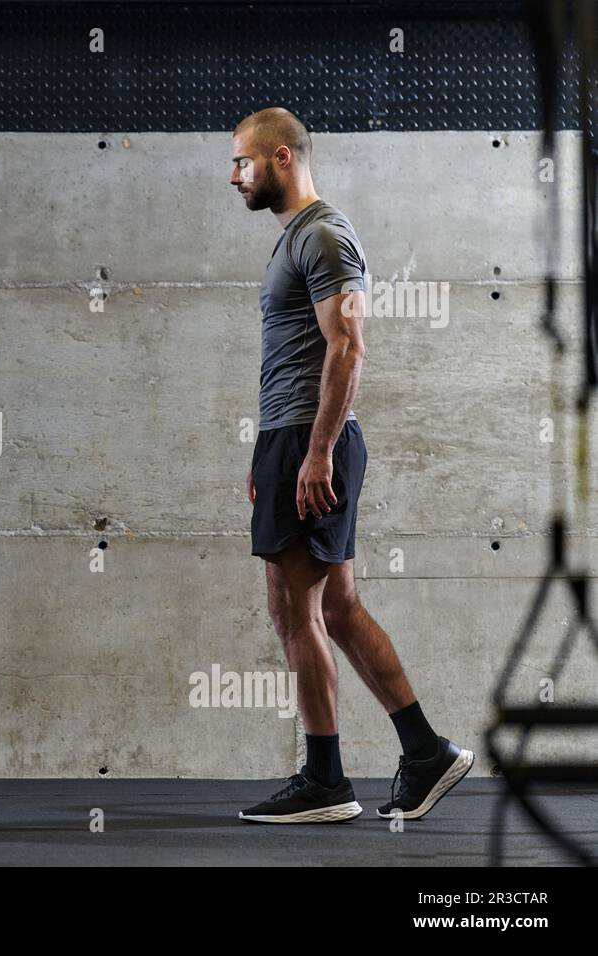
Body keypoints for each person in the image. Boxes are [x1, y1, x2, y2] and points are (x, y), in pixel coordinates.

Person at [231, 107, 473, 823]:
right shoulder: (294, 240)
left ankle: (326, 781)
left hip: (313, 438)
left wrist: (315, 452)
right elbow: (299, 357)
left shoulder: (325, 235)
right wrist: (271, 449)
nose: (233, 177)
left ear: (282, 157)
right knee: (332, 607)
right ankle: (424, 752)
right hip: (292, 437)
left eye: (242, 163)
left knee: (293, 610)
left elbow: (348, 346)